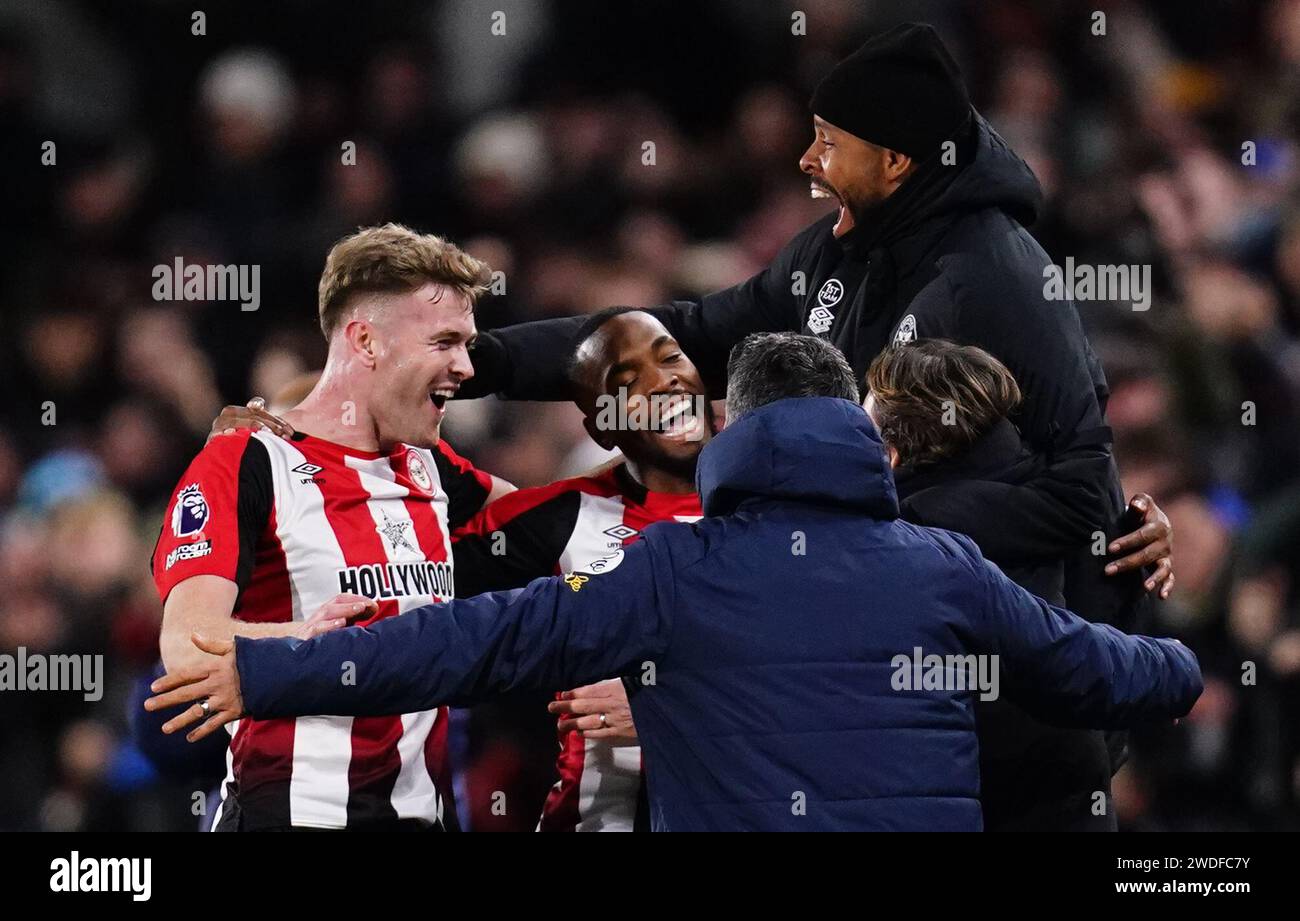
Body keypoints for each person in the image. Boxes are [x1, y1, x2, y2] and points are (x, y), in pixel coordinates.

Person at [146, 333, 1202, 832]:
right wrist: (1180, 655)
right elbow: (1098, 673)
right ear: (858, 433)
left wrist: (273, 670)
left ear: (733, 431)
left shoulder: (669, 573)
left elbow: (467, 645)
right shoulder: (939, 568)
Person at [453, 22, 1174, 633]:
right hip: (881, 643)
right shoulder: (833, 251)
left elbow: (1083, 498)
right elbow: (685, 330)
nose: (806, 160)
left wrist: (883, 515)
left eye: (829, 141)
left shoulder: (1004, 280)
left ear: (894, 162)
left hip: (1009, 678)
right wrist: (477, 360)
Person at [150, 223, 513, 831]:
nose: (467, 367)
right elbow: (186, 646)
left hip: (425, 816)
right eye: (446, 342)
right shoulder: (248, 459)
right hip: (290, 815)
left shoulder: (429, 467)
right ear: (366, 341)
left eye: (468, 344)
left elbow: (565, 530)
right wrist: (303, 637)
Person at [453, 306, 712, 831]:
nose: (664, 382)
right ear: (601, 428)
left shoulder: (778, 500)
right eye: (627, 381)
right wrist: (277, 447)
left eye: (671, 358)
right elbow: (402, 564)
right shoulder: (556, 517)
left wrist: (660, 709)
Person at [864, 339, 1118, 830]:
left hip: (976, 780)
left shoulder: (906, 533)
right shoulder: (1073, 499)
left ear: (892, 453)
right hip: (1078, 762)